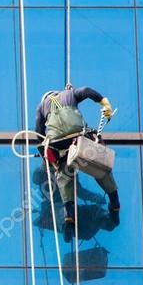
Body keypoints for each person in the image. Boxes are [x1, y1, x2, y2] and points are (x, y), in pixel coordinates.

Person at [35, 85, 118, 232]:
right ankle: (114, 201)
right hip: (78, 133)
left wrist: (46, 155)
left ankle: (69, 215)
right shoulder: (69, 94)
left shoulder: (41, 106)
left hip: (56, 140)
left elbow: (39, 133)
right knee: (98, 165)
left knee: (62, 174)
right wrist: (104, 103)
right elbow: (87, 91)